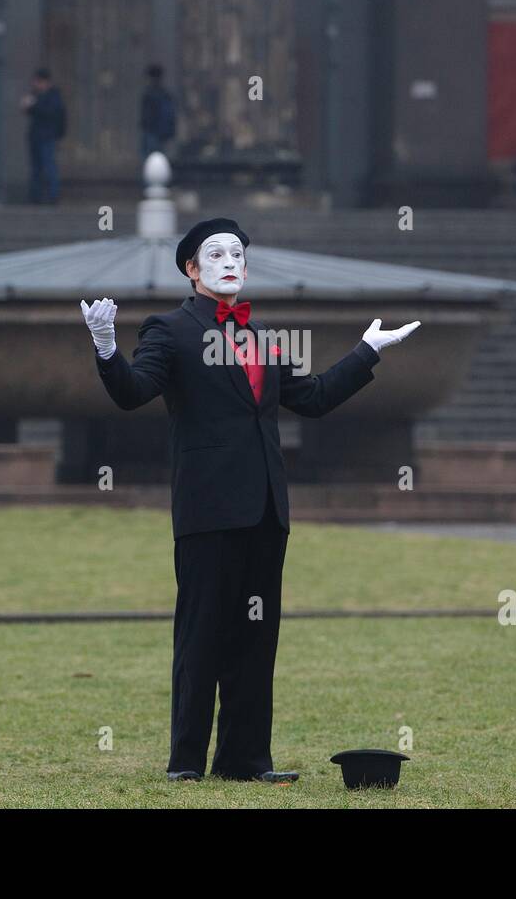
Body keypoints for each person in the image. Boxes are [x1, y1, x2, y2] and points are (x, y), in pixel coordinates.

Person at [79, 218, 419, 783]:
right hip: (209, 510)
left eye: (238, 253)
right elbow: (133, 392)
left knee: (256, 638)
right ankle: (186, 761)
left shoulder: (265, 336)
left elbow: (310, 399)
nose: (230, 261)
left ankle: (244, 760)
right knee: (202, 634)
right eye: (216, 254)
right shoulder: (170, 329)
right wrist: (107, 347)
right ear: (191, 269)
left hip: (265, 511)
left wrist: (365, 352)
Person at [21, 67, 65, 204]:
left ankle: (53, 195)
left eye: (38, 81)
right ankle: (35, 196)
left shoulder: (54, 96)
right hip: (35, 136)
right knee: (36, 168)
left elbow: (51, 113)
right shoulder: (35, 95)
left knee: (49, 166)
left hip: (47, 137)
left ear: (45, 82)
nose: (35, 84)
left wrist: (33, 106)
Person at [139, 63, 177, 159]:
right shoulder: (165, 95)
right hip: (161, 135)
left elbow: (146, 116)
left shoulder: (150, 95)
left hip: (153, 134)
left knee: (150, 158)